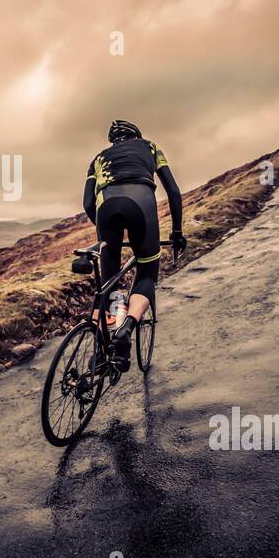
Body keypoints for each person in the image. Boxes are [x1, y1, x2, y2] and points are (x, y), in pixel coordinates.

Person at [83, 120, 185, 372]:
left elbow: (87, 203)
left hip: (106, 210)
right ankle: (126, 329)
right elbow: (172, 190)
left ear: (113, 141)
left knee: (109, 283)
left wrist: (107, 232)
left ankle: (102, 350)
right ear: (135, 135)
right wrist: (177, 232)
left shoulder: (98, 158)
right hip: (140, 204)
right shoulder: (150, 147)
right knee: (147, 274)